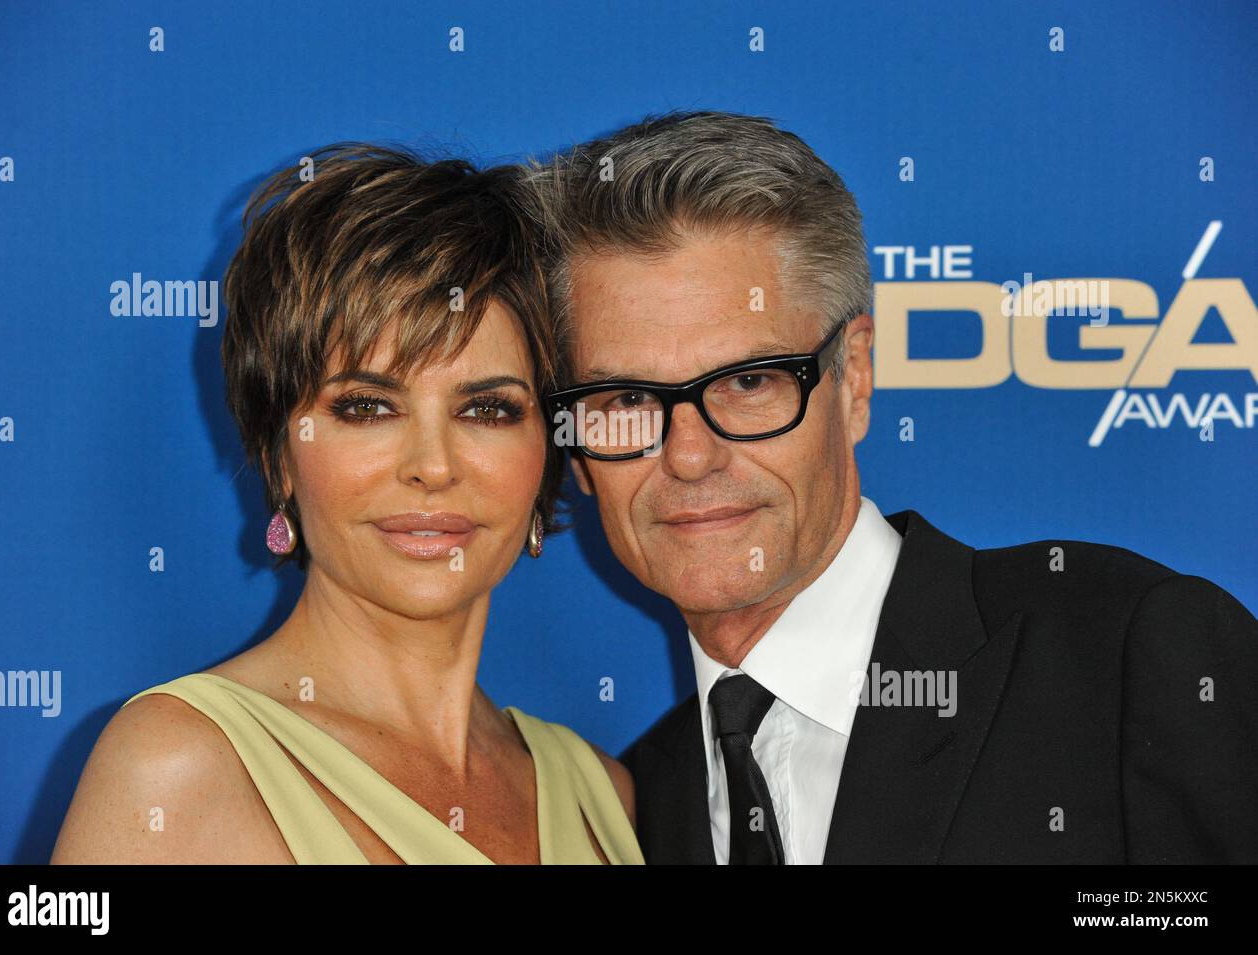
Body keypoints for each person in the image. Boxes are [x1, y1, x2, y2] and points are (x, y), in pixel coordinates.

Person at [522, 110, 1258, 864]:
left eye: (749, 380)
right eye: (627, 401)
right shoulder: (626, 815)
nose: (688, 455)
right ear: (579, 449)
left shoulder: (1124, 658)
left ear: (856, 378)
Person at [52, 144, 643, 865]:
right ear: (279, 456)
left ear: (548, 452)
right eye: (366, 407)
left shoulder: (603, 794)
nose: (432, 466)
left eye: (488, 409)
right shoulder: (176, 769)